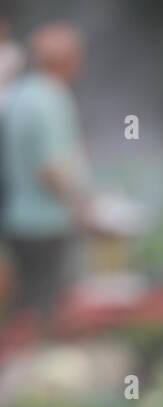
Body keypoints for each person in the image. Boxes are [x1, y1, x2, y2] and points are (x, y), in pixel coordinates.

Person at [1, 23, 92, 323]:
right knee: (47, 308)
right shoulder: (51, 100)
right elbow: (51, 169)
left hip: (16, 217)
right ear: (67, 60)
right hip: (47, 222)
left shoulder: (16, 96)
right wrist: (83, 207)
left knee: (25, 303)